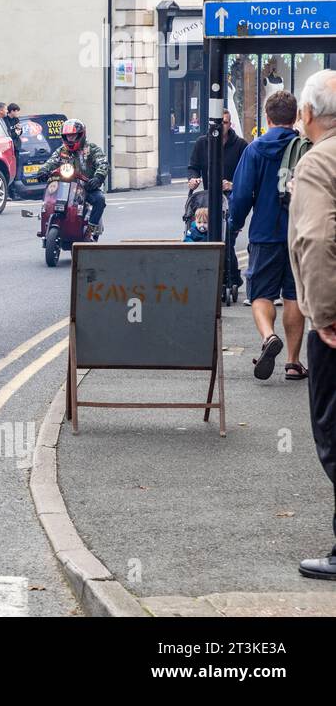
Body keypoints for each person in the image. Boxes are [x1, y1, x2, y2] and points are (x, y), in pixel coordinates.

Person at [288, 70, 336, 579]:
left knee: (331, 430)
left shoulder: (318, 162)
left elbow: (317, 241)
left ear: (307, 114)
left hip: (334, 322)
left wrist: (324, 316)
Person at [230, 90, 306, 381]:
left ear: (267, 117)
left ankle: (268, 336)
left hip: (264, 233)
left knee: (261, 293)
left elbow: (241, 195)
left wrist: (235, 223)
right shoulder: (305, 147)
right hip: (300, 233)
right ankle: (293, 362)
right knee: (294, 295)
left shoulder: (255, 149)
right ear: (296, 116)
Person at [42, 119, 108, 240]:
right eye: (67, 136)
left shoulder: (92, 149)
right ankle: (47, 226)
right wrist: (43, 171)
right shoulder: (62, 151)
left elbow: (102, 163)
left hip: (86, 187)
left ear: (81, 135)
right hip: (64, 186)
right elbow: (51, 162)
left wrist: (98, 177)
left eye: (73, 136)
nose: (70, 139)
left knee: (100, 200)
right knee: (49, 200)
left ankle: (91, 231)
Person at [188, 110, 247, 193]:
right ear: (211, 124)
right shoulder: (201, 143)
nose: (220, 126)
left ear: (230, 125)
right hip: (209, 197)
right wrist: (193, 179)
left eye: (225, 122)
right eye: (218, 123)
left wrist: (232, 185)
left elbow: (247, 173)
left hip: (233, 198)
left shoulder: (241, 145)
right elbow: (193, 167)